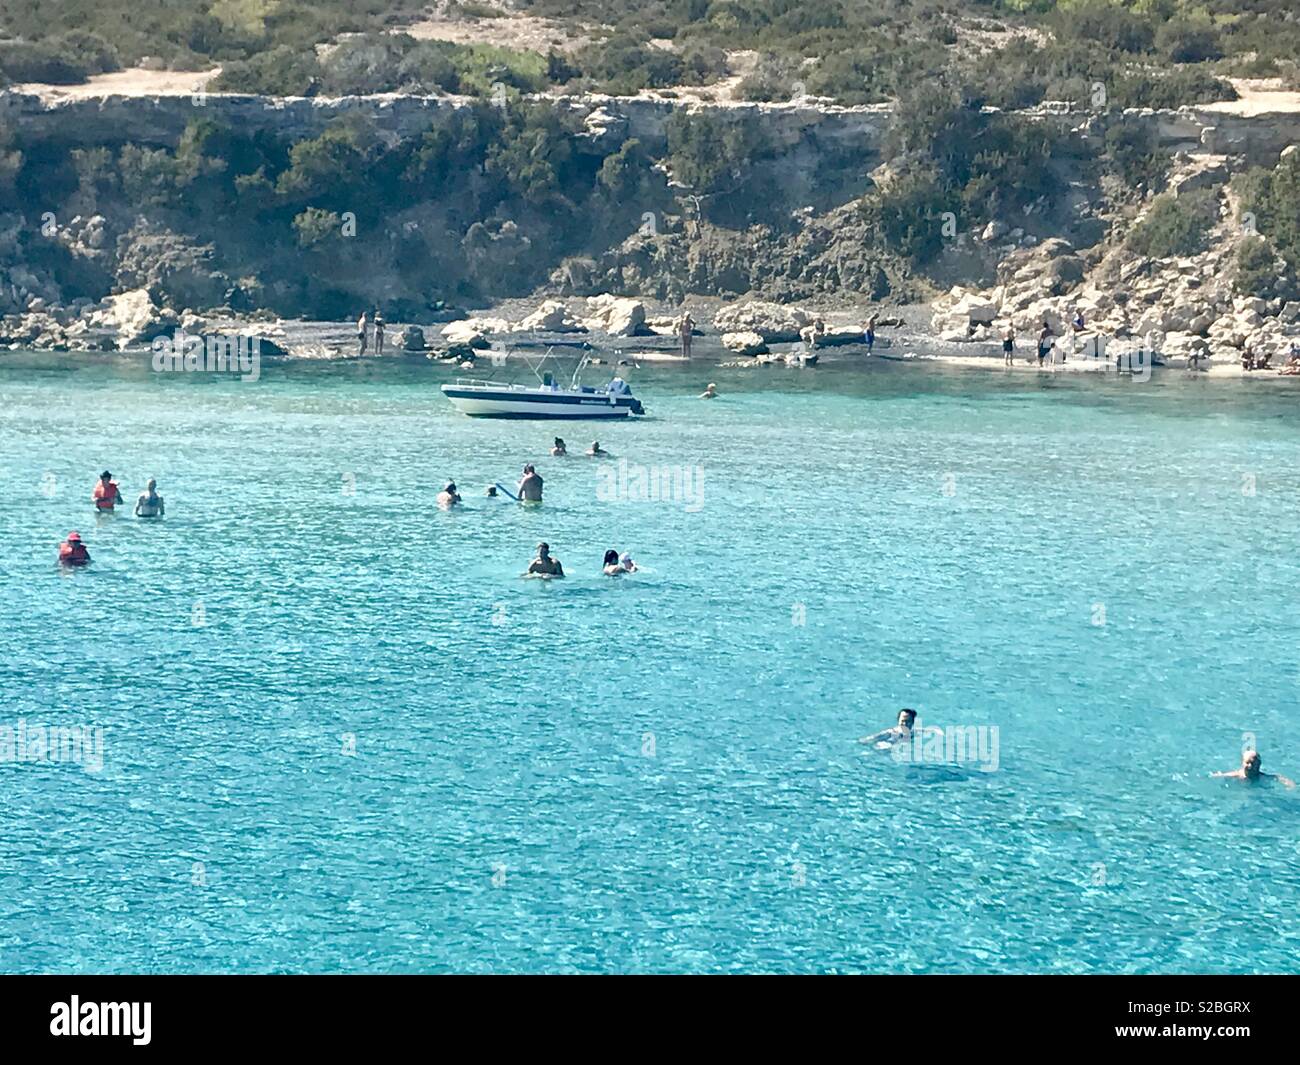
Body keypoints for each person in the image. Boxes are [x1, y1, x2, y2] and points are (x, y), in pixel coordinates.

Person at [1212, 750, 1294, 788]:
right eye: (1247, 763)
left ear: (1259, 764)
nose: (1250, 766)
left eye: (1253, 763)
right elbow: (1219, 776)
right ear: (1242, 763)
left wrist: (1290, 785)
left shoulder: (1262, 776)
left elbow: (1278, 777)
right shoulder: (1235, 776)